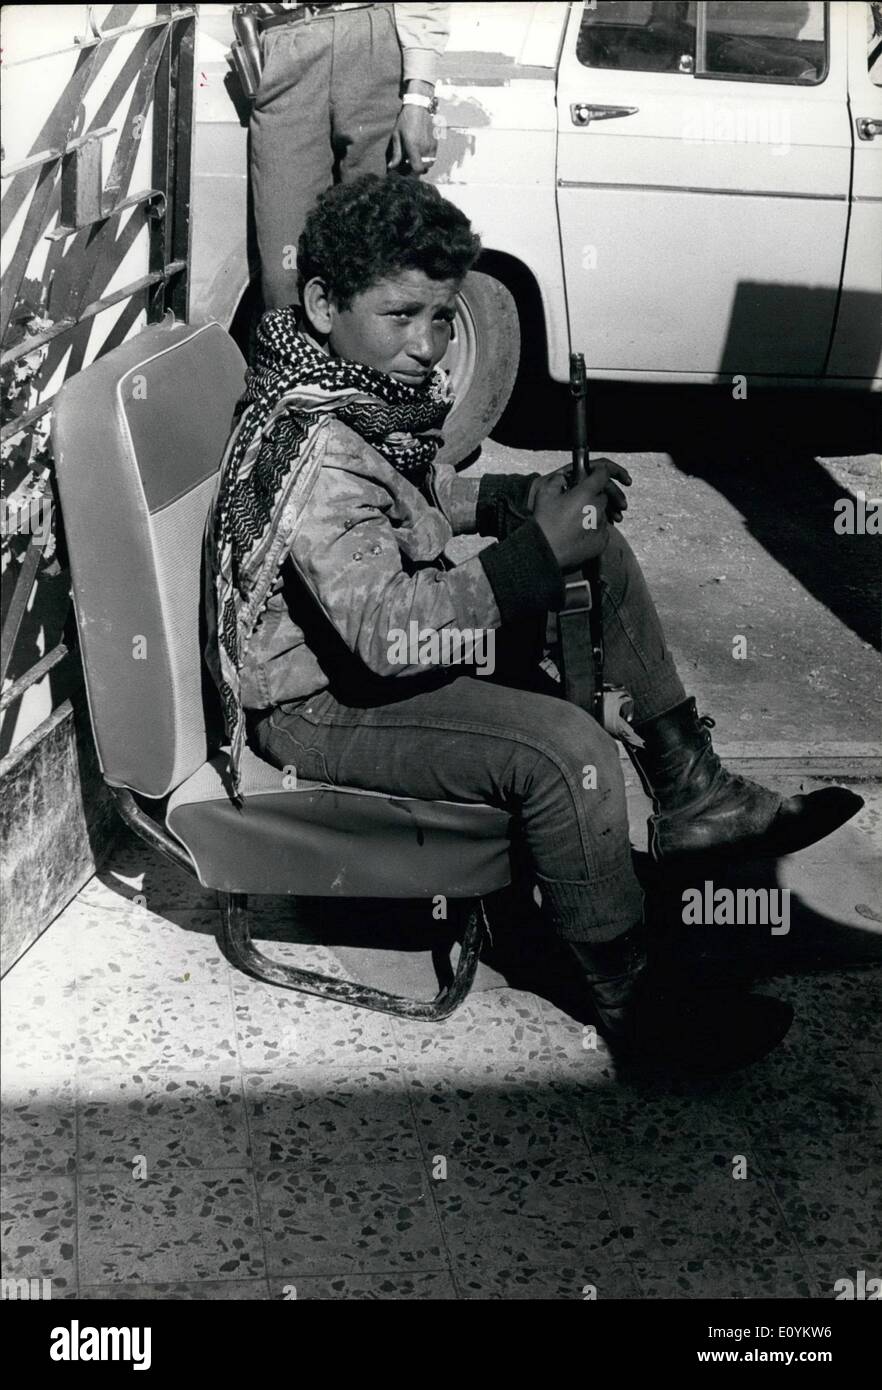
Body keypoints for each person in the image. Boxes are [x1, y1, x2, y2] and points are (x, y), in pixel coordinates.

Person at [204, 173, 862, 1070]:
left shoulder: (339, 389)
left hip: (365, 661)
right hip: (319, 707)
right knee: (564, 750)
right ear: (323, 303)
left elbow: (408, 499)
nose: (429, 345)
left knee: (598, 552)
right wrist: (533, 553)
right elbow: (389, 641)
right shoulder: (318, 440)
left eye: (442, 319)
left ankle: (693, 792)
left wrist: (517, 501)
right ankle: (638, 1005)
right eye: (402, 316)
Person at [249, 2, 449, 310]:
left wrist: (419, 99)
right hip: (285, 40)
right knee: (285, 275)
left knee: (382, 264)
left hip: (373, 39)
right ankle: (296, 357)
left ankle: (372, 359)